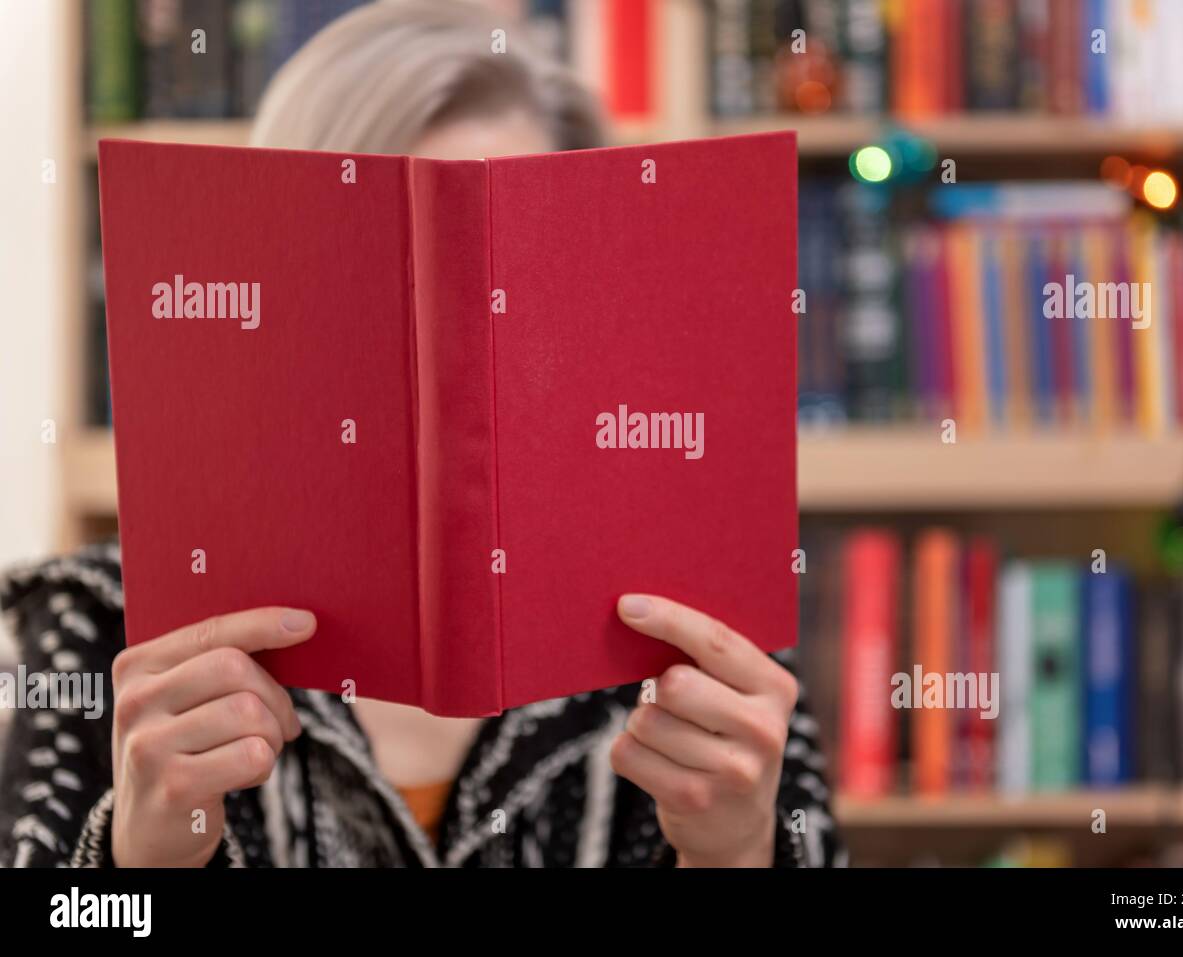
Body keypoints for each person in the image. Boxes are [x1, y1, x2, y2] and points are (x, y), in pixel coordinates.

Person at [0, 0, 842, 868]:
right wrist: (136, 858)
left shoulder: (702, 632)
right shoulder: (103, 627)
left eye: (510, 274)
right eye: (385, 277)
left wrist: (737, 854)